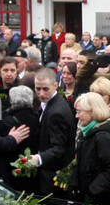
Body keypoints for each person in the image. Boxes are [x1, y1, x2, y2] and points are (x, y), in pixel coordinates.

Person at [22, 68, 76, 197]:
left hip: (53, 175)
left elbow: (59, 148)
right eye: (37, 89)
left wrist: (38, 158)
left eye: (45, 89)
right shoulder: (51, 104)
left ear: (55, 85)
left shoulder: (56, 112)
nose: (40, 93)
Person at [71, 92, 110, 205]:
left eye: (79, 112)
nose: (76, 116)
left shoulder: (103, 136)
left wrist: (92, 190)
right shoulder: (88, 131)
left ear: (92, 112)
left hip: (102, 201)